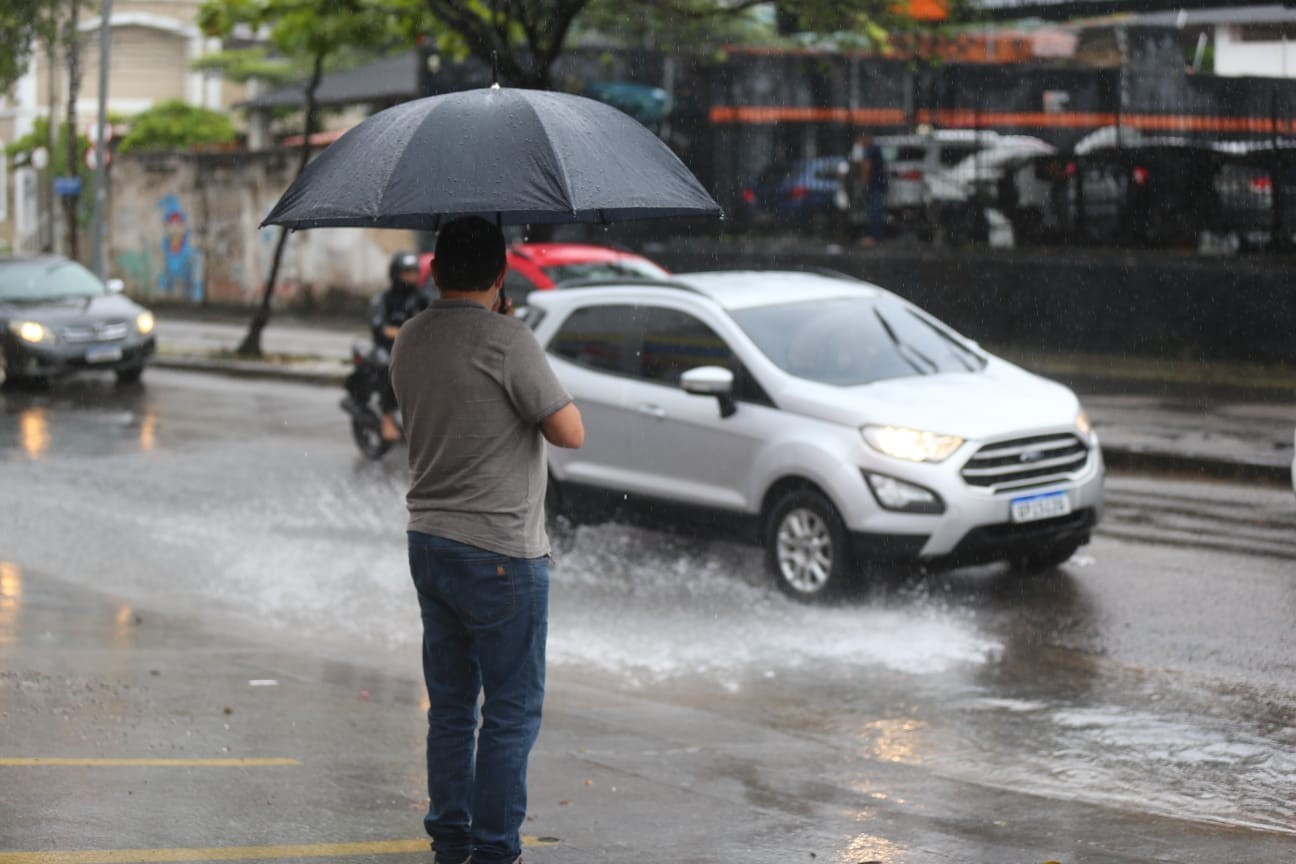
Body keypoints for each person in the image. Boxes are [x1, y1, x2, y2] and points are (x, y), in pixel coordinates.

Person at [389, 216, 585, 864]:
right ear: (501, 274)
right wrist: (506, 326)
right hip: (501, 552)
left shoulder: (409, 337)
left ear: (437, 270)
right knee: (509, 711)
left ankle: (451, 840)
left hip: (430, 543)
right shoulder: (509, 340)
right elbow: (568, 431)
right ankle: (496, 851)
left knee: (450, 707)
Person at [370, 251, 431, 441]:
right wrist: (404, 333)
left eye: (414, 272)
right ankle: (387, 417)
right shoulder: (383, 299)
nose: (411, 277)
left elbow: (433, 319)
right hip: (389, 348)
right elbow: (379, 327)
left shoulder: (421, 298)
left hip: (416, 349)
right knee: (389, 367)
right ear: (395, 274)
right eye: (406, 272)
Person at [851, 131, 887, 246]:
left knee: (874, 212)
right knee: (874, 211)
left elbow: (866, 167)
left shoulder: (870, 150)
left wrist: (864, 184)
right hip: (877, 184)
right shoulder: (875, 149)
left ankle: (875, 237)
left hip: (874, 185)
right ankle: (875, 236)